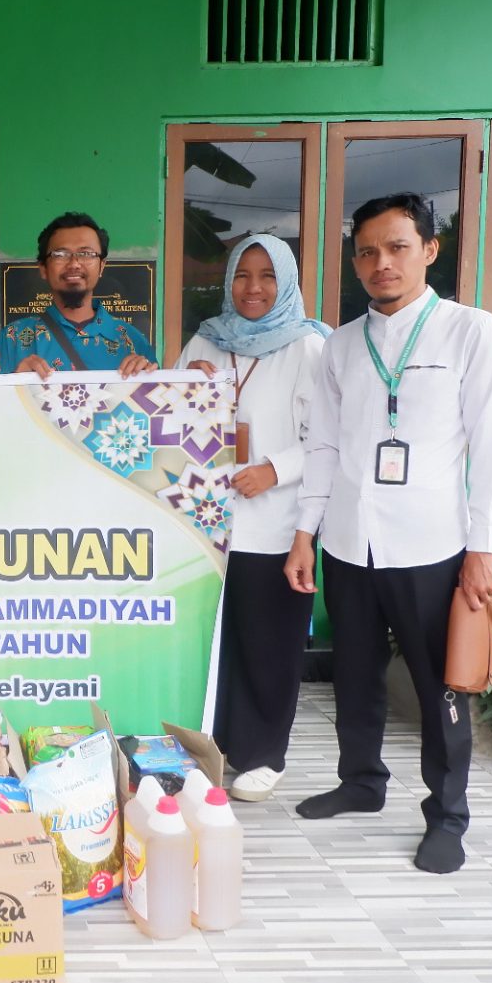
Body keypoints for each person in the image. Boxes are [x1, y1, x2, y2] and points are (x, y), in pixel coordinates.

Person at [284, 192, 492, 875]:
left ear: (430, 250)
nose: (381, 262)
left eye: (397, 247)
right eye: (367, 252)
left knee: (440, 687)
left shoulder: (470, 331)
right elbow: (323, 446)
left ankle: (447, 816)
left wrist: (484, 545)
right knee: (355, 675)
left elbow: (491, 445)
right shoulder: (340, 344)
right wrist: (305, 533)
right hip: (349, 543)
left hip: (430, 547)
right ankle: (361, 782)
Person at [176, 234, 329, 803]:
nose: (253, 288)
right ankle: (220, 745)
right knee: (219, 643)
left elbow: (329, 438)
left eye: (267, 276)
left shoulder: (308, 347)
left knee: (269, 643)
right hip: (207, 525)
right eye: (242, 275)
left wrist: (275, 469)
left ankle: (266, 755)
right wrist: (185, 385)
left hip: (276, 524)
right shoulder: (206, 339)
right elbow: (169, 420)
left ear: (285, 282)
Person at [0, 212, 157, 377]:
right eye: (60, 255)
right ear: (43, 268)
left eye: (86, 254)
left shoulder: (133, 342)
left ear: (102, 266)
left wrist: (147, 381)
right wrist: (15, 381)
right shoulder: (13, 339)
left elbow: (159, 395)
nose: (74, 264)